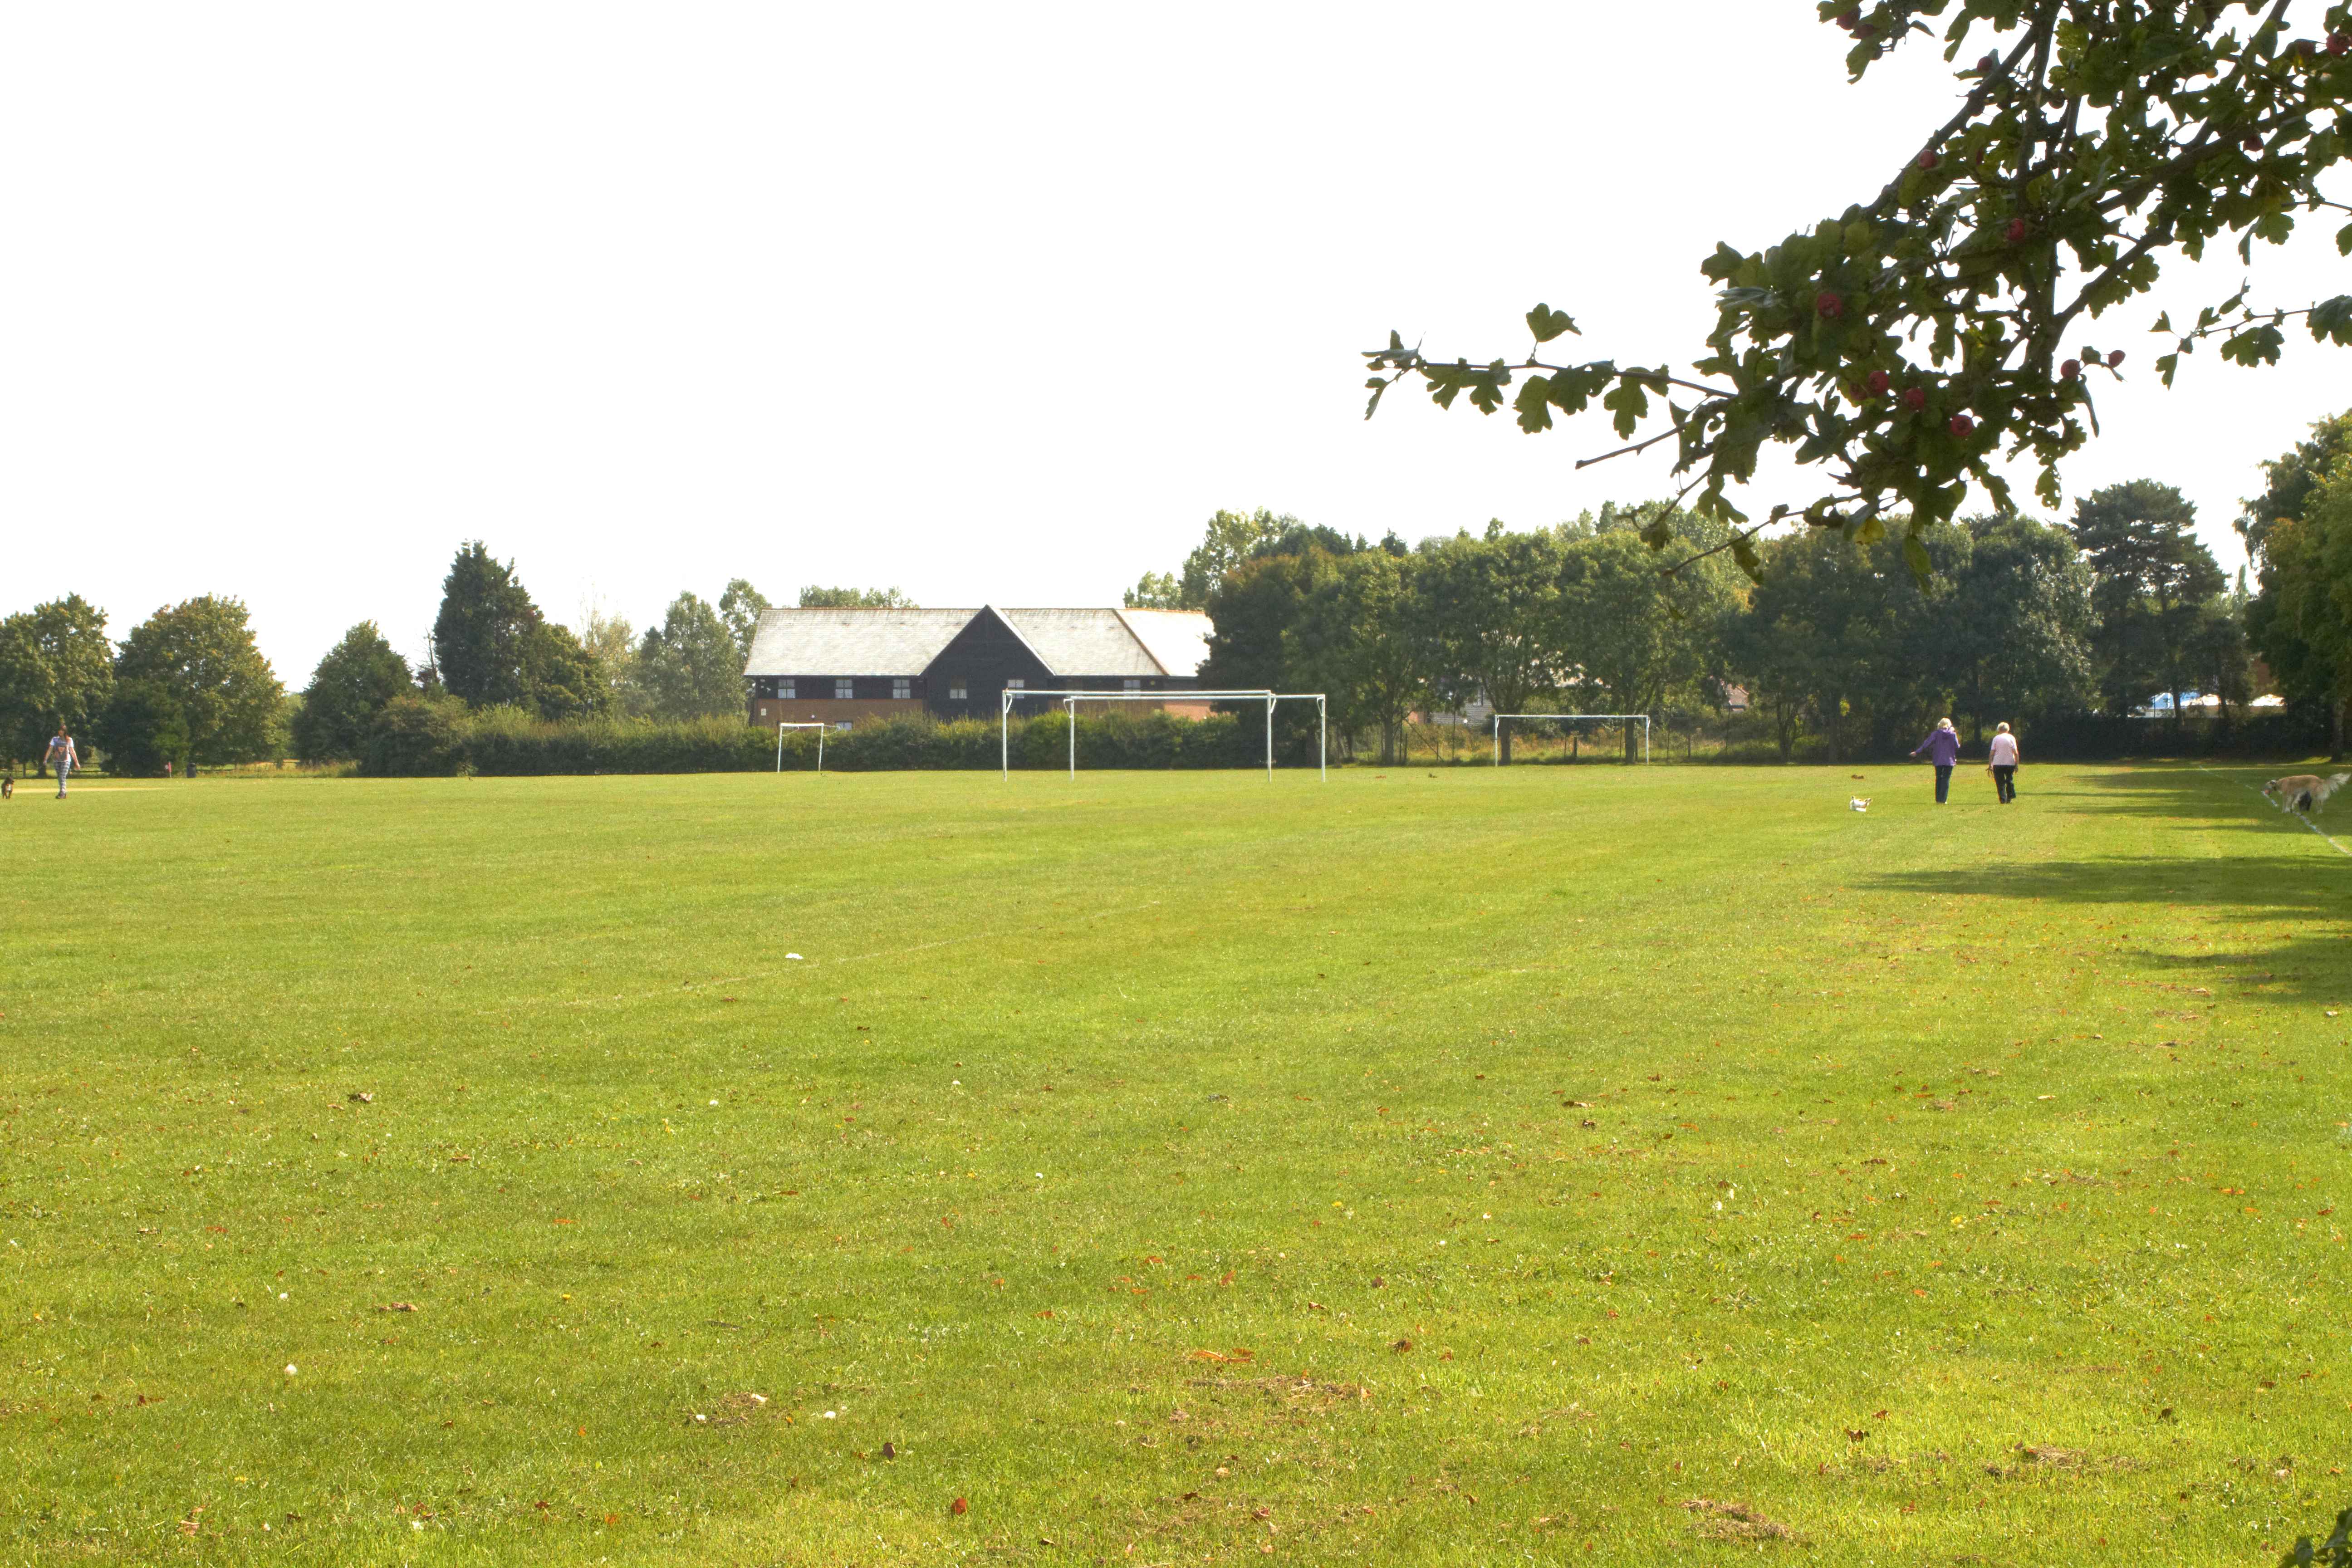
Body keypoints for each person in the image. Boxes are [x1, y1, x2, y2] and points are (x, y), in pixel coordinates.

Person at [1910, 716, 1961, 804]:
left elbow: (1927, 743)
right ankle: (1943, 799)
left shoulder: (1936, 734)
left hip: (1938, 759)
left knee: (1939, 778)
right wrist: (1954, 732)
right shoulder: (1953, 734)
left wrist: (1917, 752)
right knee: (1946, 779)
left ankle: (1938, 799)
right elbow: (1957, 746)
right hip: (1949, 760)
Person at [1987, 722, 2020, 804]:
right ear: (2008, 729)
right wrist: (2017, 764)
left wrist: (1990, 764)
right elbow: (2015, 753)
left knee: (2000, 782)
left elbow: (1992, 752)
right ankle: (2010, 798)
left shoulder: (1996, 738)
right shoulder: (2011, 738)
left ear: (1999, 729)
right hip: (2010, 763)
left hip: (1998, 763)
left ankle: (2003, 799)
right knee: (2010, 780)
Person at [43, 726, 78, 799]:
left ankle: (62, 793)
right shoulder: (55, 739)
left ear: (65, 731)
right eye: (60, 730)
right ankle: (64, 792)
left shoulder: (69, 740)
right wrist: (46, 759)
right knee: (60, 777)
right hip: (57, 761)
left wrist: (76, 762)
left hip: (66, 761)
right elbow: (50, 750)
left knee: (62, 776)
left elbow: (72, 751)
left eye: (62, 730)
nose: (61, 732)